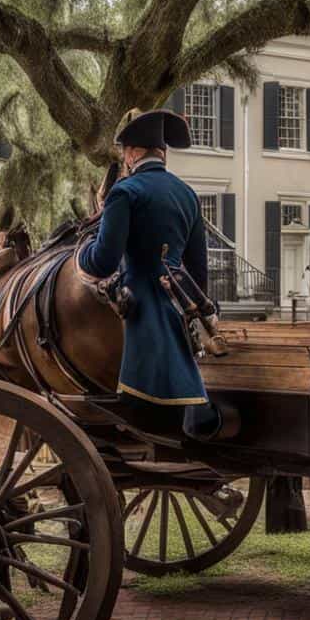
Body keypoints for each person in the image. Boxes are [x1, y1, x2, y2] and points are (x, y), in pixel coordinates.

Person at [77, 109, 229, 440]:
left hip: (140, 305)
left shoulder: (125, 192)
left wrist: (82, 250)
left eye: (124, 153)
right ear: (161, 152)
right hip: (178, 307)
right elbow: (198, 270)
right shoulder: (187, 194)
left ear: (132, 153)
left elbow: (103, 262)